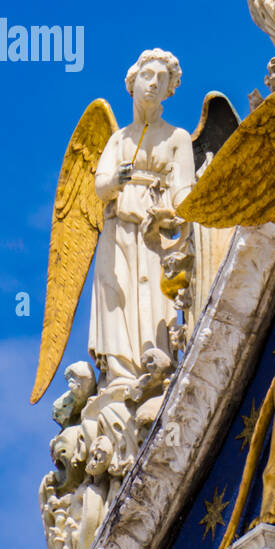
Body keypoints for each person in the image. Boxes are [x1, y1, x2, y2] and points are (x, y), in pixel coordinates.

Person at [89, 49, 195, 384]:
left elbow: (183, 191)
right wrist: (118, 179)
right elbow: (101, 185)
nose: (153, 84)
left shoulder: (176, 138)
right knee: (115, 292)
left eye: (162, 80)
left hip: (154, 233)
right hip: (118, 230)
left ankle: (154, 366)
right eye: (147, 77)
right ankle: (121, 374)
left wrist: (175, 214)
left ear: (169, 90)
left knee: (152, 296)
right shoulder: (118, 139)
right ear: (132, 84)